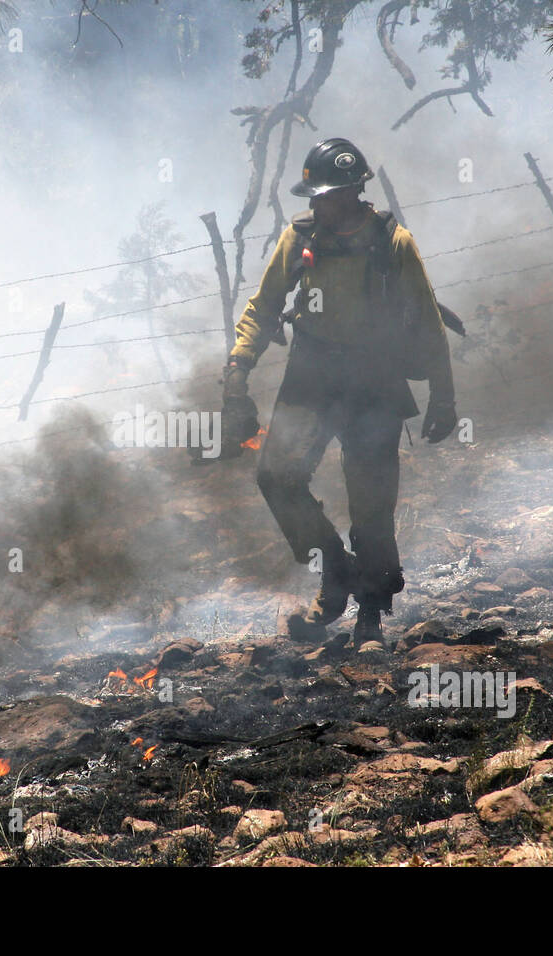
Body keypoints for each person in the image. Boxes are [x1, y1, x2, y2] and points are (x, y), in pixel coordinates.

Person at [221, 138, 458, 644]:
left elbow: (429, 322)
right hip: (312, 374)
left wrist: (444, 396)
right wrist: (238, 368)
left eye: (325, 195)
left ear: (353, 192)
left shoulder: (393, 242)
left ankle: (370, 613)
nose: (316, 204)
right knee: (275, 476)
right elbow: (263, 309)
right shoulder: (300, 237)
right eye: (313, 195)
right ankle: (336, 569)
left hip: (374, 378)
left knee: (371, 503)